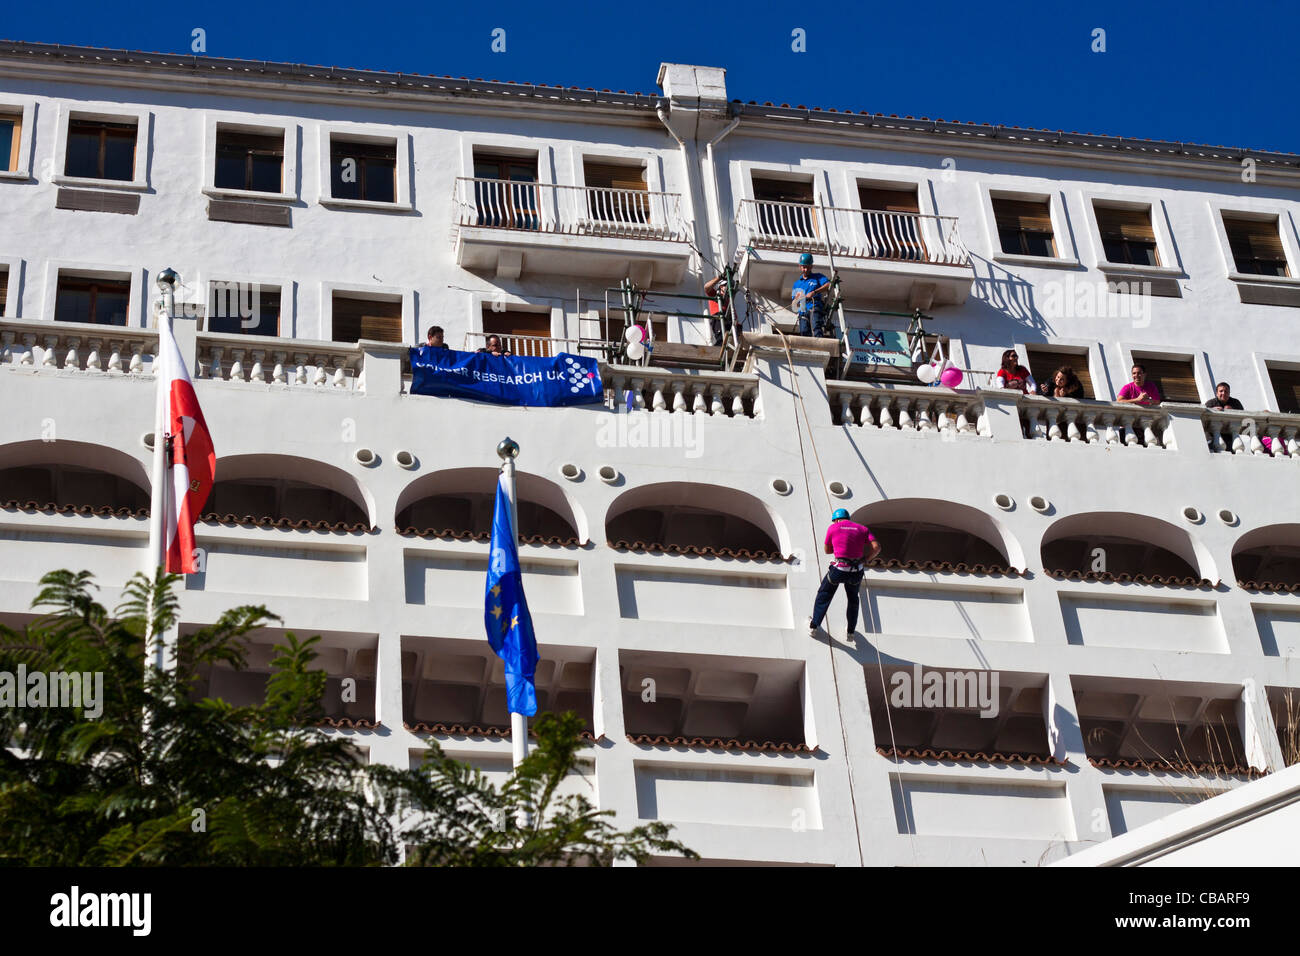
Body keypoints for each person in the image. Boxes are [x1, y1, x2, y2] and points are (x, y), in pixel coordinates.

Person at [808, 508, 880, 639]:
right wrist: (865, 559)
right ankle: (850, 632)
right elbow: (876, 547)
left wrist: (839, 545)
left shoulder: (833, 527)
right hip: (856, 571)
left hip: (839, 569)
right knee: (853, 600)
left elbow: (827, 550)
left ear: (836, 519)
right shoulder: (862, 529)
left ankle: (814, 626)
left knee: (824, 595)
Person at [792, 253, 833, 338]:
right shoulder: (797, 284)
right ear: (800, 266)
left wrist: (814, 292)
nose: (806, 269)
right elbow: (794, 303)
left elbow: (828, 285)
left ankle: (820, 347)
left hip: (814, 306)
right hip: (802, 310)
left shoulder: (818, 277)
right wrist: (798, 299)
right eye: (803, 267)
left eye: (807, 267)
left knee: (816, 327)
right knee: (804, 332)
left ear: (811, 266)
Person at [704, 272, 736, 347]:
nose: (729, 288)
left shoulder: (729, 299)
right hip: (718, 317)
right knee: (722, 338)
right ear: (721, 287)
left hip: (729, 318)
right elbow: (706, 287)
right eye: (726, 286)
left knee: (731, 338)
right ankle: (718, 352)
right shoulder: (714, 294)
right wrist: (720, 277)